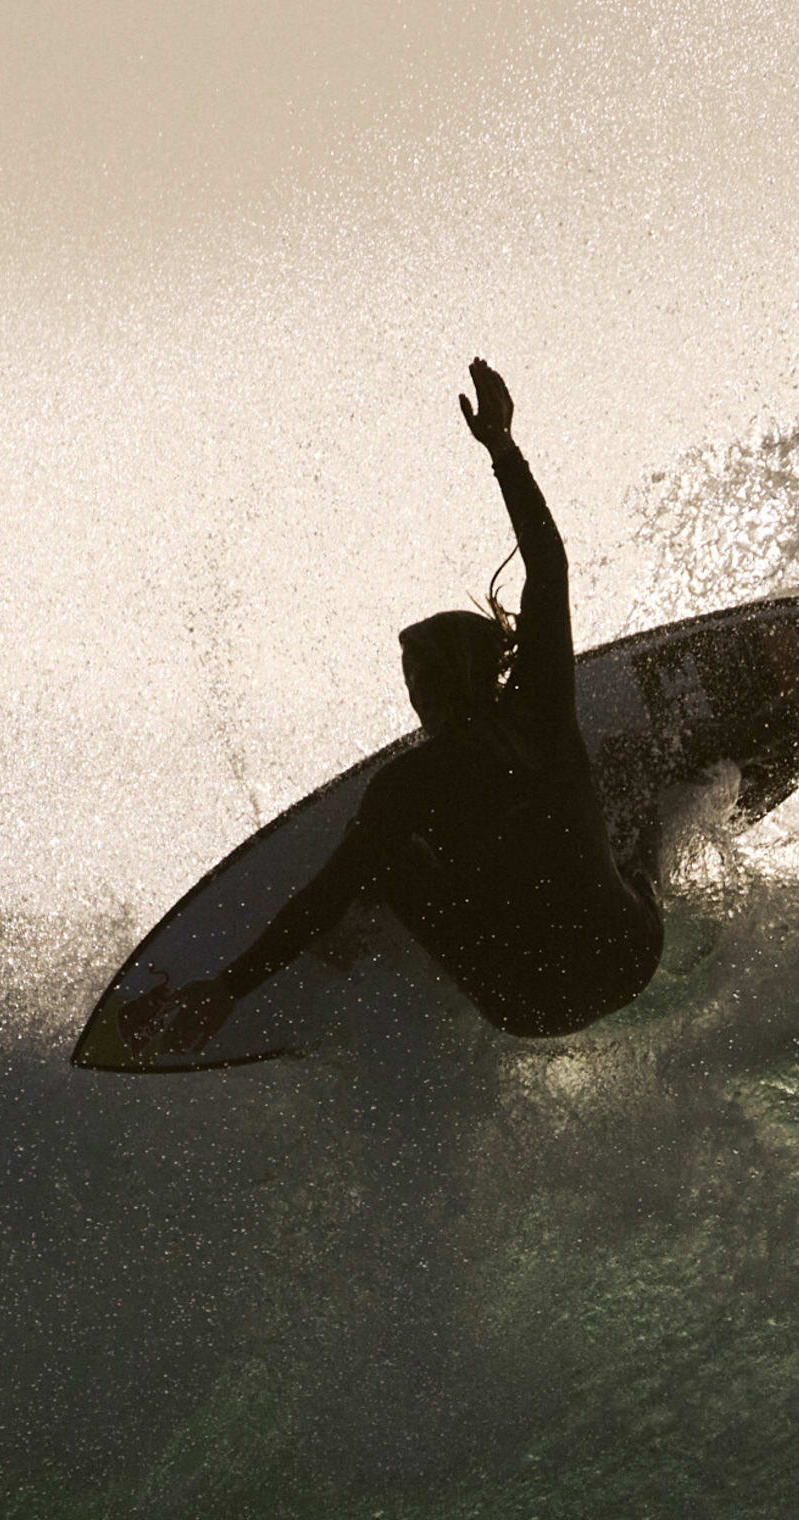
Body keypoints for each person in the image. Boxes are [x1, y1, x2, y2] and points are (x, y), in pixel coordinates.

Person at [128, 361, 666, 1058]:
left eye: (415, 677)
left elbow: (321, 896)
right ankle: (647, 855)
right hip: (627, 957)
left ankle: (363, 933)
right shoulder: (540, 707)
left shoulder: (407, 787)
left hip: (529, 1005)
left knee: (379, 861)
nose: (411, 692)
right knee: (627, 767)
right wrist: (503, 449)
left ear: (435, 687)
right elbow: (548, 565)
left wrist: (230, 988)